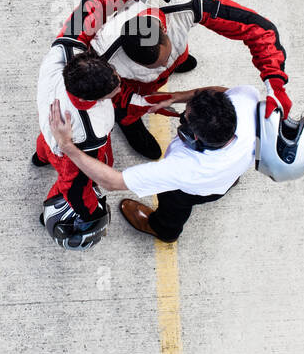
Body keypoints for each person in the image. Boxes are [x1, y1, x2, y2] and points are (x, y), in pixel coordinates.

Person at [59, 0, 291, 161]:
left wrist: (275, 83)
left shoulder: (179, 0)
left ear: (163, 30)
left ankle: (178, 59)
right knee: (124, 109)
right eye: (153, 65)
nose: (162, 65)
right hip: (137, 84)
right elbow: (119, 97)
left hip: (172, 52)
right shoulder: (102, 53)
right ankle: (129, 124)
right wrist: (156, 104)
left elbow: (259, 29)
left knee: (178, 58)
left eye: (163, 57)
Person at [48, 84, 262, 243]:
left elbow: (112, 181)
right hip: (231, 172)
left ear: (193, 136)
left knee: (174, 205)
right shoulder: (246, 100)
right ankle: (232, 181)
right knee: (226, 181)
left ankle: (163, 230)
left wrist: (66, 145)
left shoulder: (184, 169)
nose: (182, 116)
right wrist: (174, 97)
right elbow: (221, 91)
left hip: (192, 190)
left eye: (184, 118)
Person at [32, 37, 121, 249]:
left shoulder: (58, 58)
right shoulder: (89, 134)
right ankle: (50, 212)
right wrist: (92, 212)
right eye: (111, 90)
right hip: (69, 155)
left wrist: (121, 0)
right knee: (68, 184)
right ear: (90, 99)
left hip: (49, 134)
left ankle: (39, 158)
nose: (118, 84)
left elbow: (80, 19)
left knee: (44, 147)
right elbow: (75, 189)